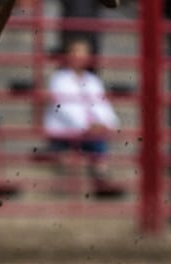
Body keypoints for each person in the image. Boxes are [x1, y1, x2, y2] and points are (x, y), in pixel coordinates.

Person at [43, 39, 120, 190]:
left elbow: (103, 106)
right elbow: (64, 109)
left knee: (98, 139)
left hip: (88, 132)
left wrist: (109, 123)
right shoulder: (58, 79)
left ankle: (101, 177)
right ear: (68, 56)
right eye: (76, 52)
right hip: (64, 131)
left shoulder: (93, 80)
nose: (80, 57)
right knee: (96, 140)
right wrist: (87, 126)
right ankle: (101, 178)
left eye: (83, 53)